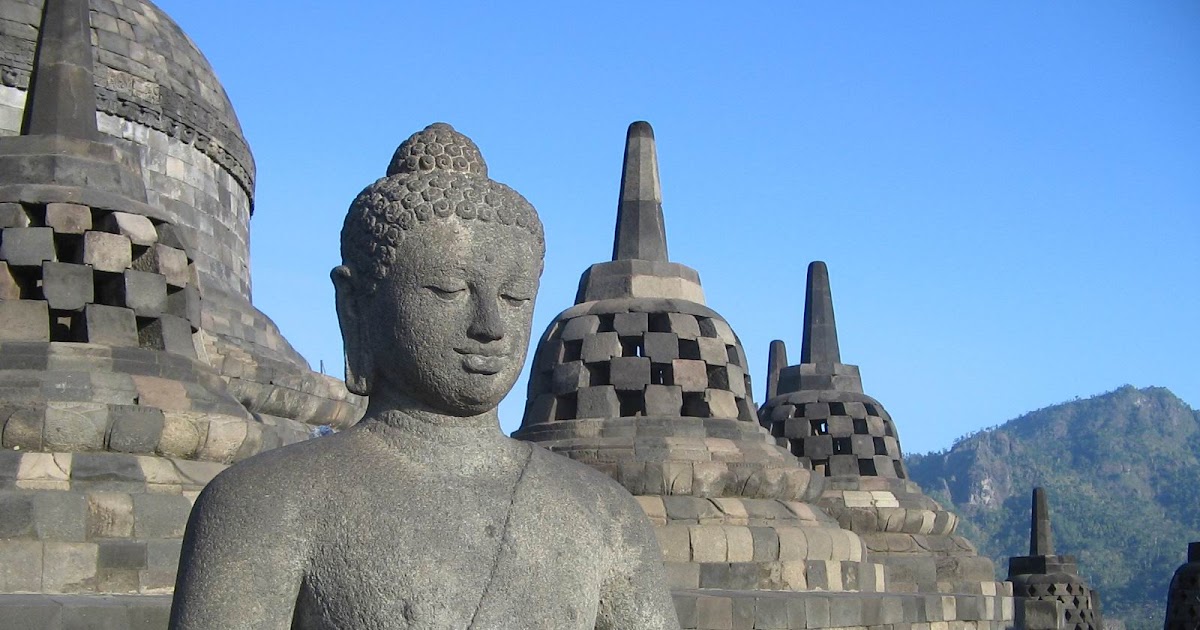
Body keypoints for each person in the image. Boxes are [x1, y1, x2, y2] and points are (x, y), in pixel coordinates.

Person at [168, 123, 680, 630]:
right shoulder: (263, 503)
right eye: (447, 290)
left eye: (514, 297)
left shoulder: (606, 518)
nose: (490, 326)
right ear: (355, 307)